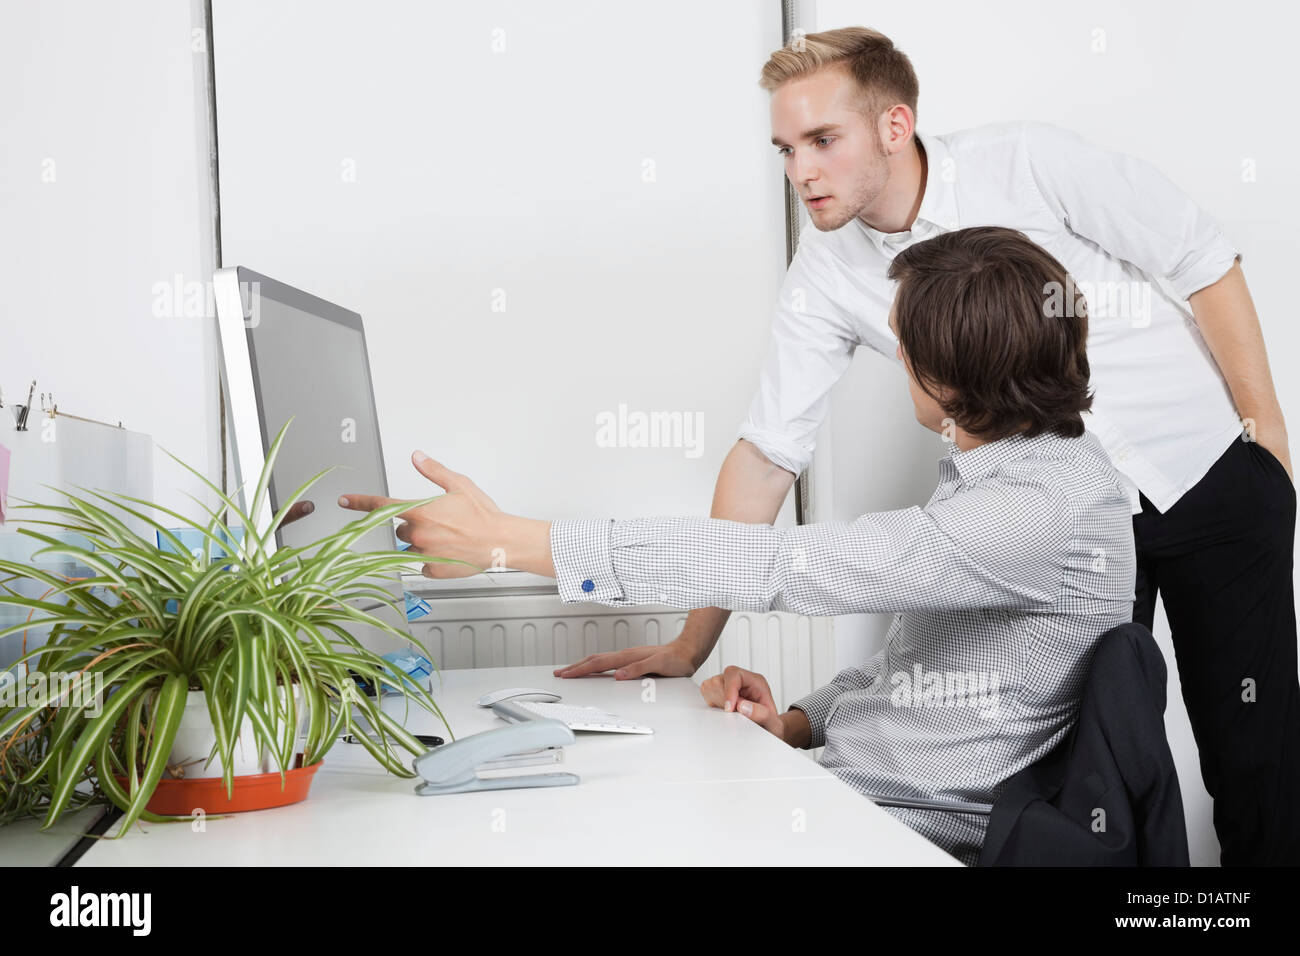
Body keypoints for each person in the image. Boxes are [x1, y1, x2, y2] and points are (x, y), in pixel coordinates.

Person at [544, 26, 1298, 866]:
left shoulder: (1027, 162)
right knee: (1077, 774)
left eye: (823, 141)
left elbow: (1198, 256)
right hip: (1058, 532)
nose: (801, 172)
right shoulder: (825, 275)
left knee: (1254, 756)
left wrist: (1266, 440)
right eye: (786, 149)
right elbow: (766, 454)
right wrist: (693, 645)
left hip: (1199, 474)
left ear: (895, 126)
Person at [340, 226, 1136, 865]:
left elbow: (787, 566)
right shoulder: (1012, 476)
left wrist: (514, 541)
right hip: (857, 793)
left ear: (956, 374)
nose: (898, 360)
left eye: (907, 347)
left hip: (901, 832)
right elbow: (920, 674)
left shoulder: (1037, 509)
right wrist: (797, 721)